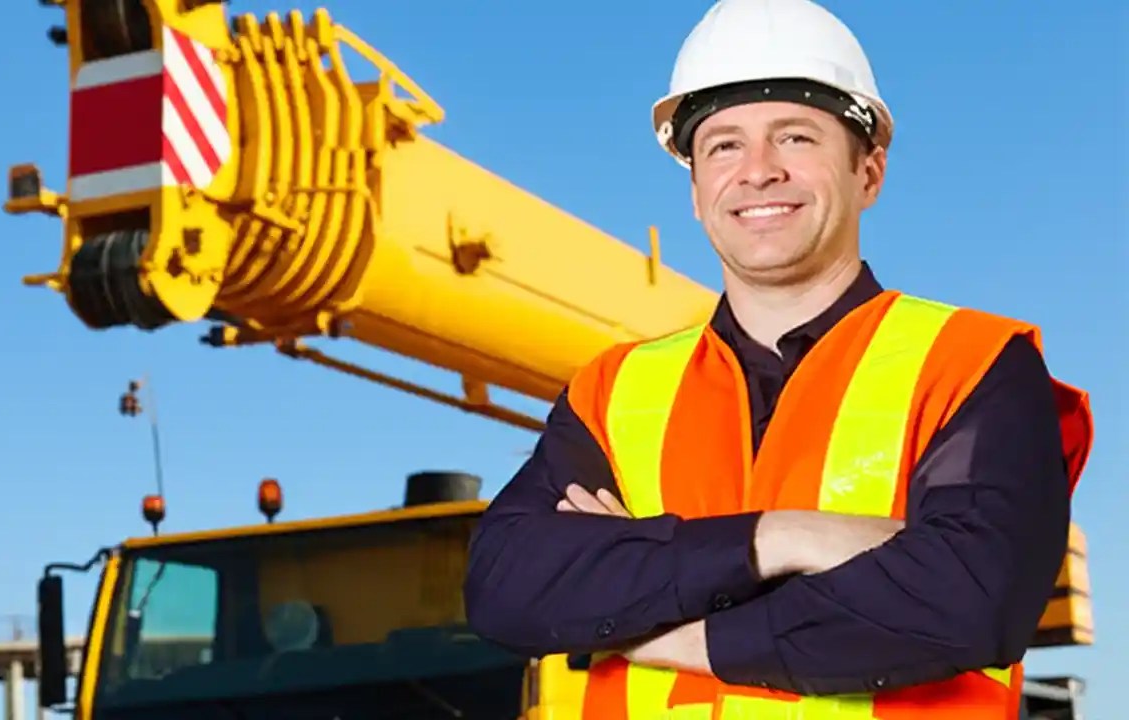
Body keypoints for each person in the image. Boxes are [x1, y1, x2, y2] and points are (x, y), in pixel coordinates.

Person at [462, 0, 1094, 717]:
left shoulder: (972, 365)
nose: (758, 172)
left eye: (795, 137)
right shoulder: (614, 392)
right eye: (724, 145)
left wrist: (668, 630)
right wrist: (785, 538)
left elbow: (968, 601)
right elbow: (510, 590)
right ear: (697, 192)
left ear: (869, 172)